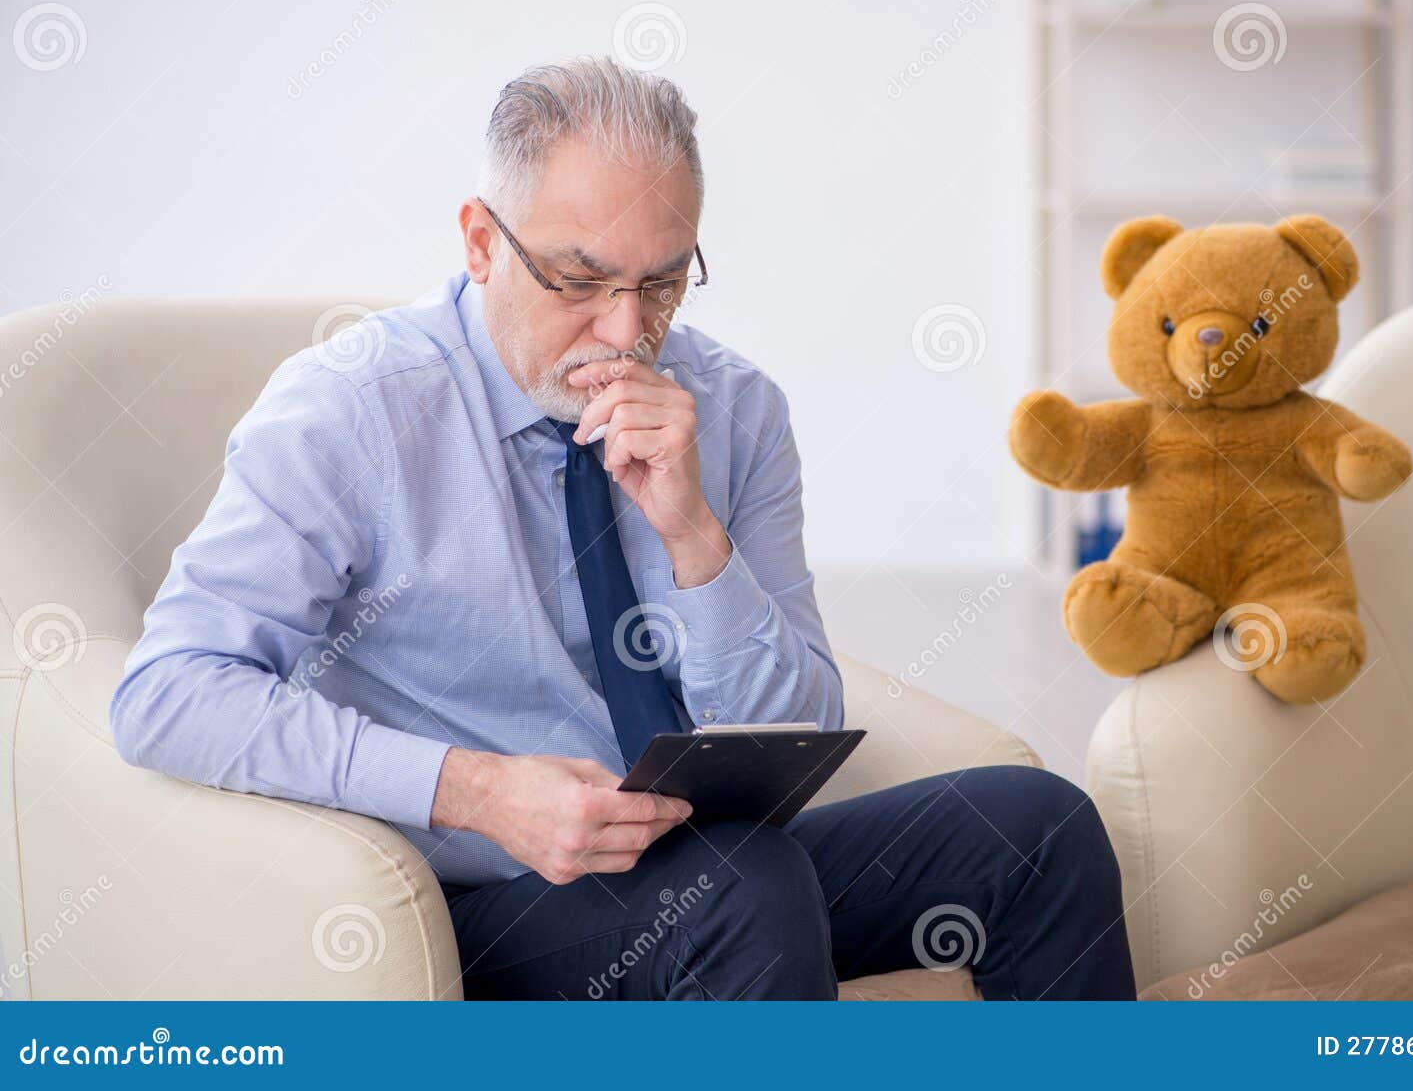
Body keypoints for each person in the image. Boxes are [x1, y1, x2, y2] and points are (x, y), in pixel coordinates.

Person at [110, 57, 1136, 1000]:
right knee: (743, 884)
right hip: (472, 906)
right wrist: (475, 791)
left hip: (704, 861)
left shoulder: (734, 410)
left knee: (1038, 828)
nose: (623, 330)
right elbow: (169, 692)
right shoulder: (354, 409)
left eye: (662, 281)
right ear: (479, 241)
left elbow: (797, 723)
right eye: (579, 279)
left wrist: (692, 535)